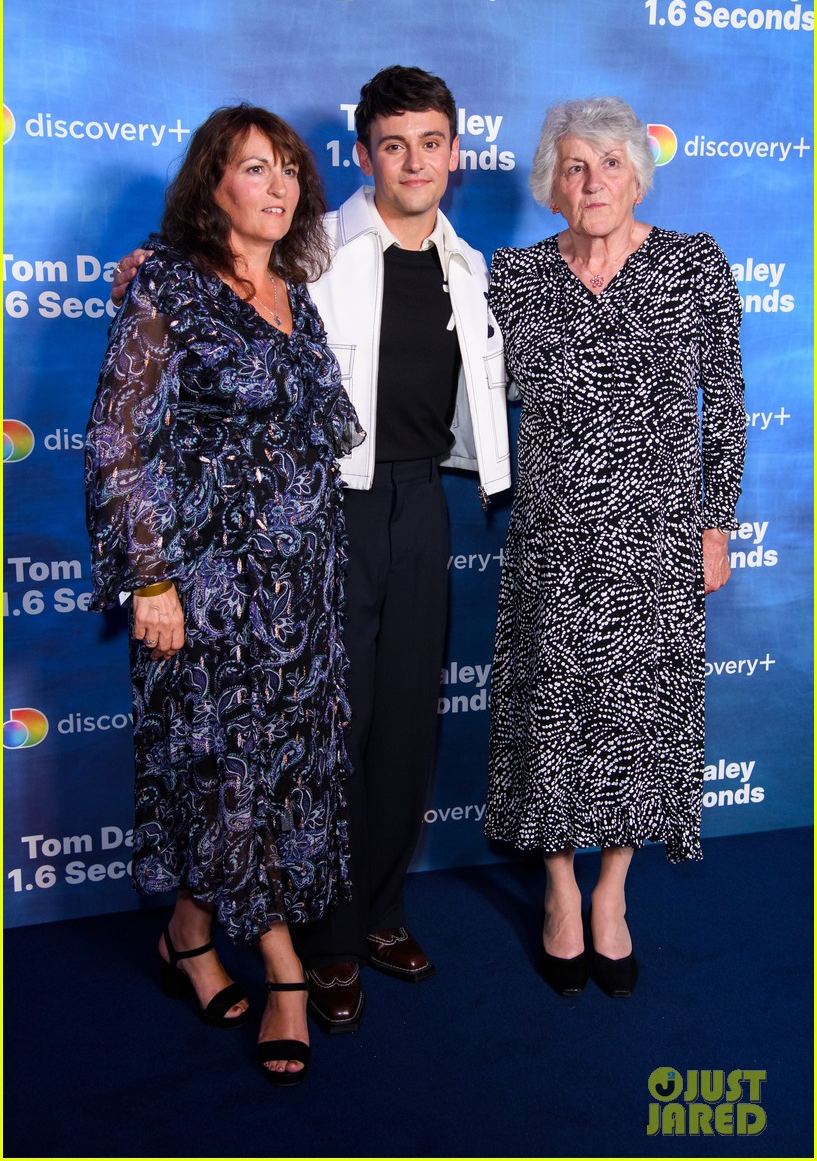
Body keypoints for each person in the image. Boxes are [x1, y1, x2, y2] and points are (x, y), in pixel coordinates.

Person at [112, 67, 511, 1033]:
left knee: (405, 723)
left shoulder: (472, 265)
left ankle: (378, 913)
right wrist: (147, 265)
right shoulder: (312, 246)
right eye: (392, 145)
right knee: (331, 728)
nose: (412, 162)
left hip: (422, 502)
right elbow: (199, 292)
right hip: (323, 513)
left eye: (430, 144)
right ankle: (321, 942)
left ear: (454, 155)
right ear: (364, 156)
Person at [86, 104, 363, 1084]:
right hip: (207, 593)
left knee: (275, 777)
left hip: (300, 597)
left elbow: (323, 431)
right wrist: (149, 577)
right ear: (212, 186)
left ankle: (188, 936)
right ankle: (283, 970)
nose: (278, 185)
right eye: (254, 167)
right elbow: (120, 440)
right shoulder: (166, 286)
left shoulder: (295, 294)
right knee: (226, 775)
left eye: (289, 169)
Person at [485, 96, 745, 999]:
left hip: (656, 536)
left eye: (609, 163)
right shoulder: (512, 278)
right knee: (553, 715)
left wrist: (715, 521)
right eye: (574, 166)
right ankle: (559, 890)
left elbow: (727, 402)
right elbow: (415, 343)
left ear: (638, 175)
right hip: (553, 538)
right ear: (551, 186)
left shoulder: (693, 264)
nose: (592, 181)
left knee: (640, 717)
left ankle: (611, 893)